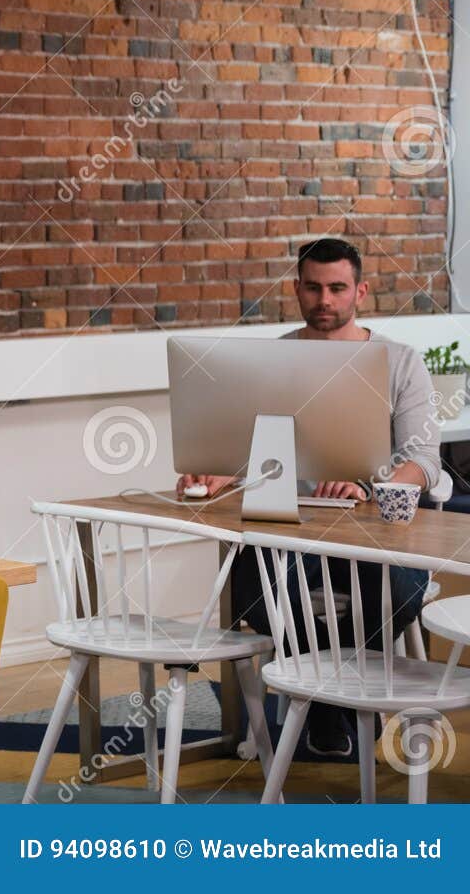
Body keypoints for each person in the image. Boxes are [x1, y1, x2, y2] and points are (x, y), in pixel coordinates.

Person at [176, 236, 438, 757]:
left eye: (337, 288)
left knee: (396, 592)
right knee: (252, 588)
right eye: (313, 288)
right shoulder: (271, 359)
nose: (325, 299)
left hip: (373, 535)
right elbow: (251, 448)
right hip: (293, 532)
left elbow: (423, 461)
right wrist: (223, 471)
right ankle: (330, 705)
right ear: (296, 289)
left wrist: (371, 484)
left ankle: (329, 697)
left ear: (361, 291)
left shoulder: (401, 361)